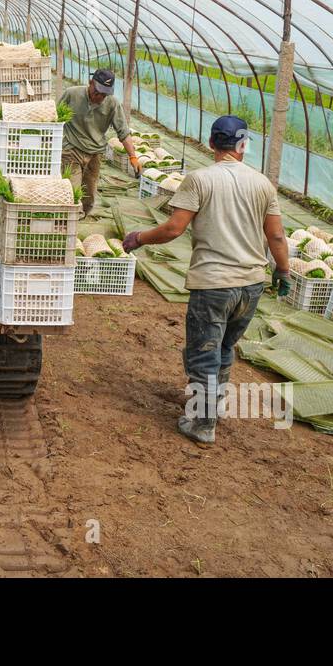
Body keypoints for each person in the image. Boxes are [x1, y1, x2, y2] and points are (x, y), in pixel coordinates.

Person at [122, 115, 290, 445]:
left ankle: (202, 423)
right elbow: (277, 236)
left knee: (204, 353)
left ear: (211, 143)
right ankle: (214, 407)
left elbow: (173, 228)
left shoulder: (199, 180)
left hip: (214, 284)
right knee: (225, 347)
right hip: (251, 285)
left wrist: (139, 237)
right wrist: (282, 271)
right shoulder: (262, 184)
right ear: (243, 146)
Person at [58, 68, 140, 217]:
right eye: (97, 92)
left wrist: (132, 157)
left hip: (95, 153)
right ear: (90, 83)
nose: (100, 97)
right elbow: (55, 117)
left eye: (104, 94)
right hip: (71, 150)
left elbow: (123, 131)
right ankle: (71, 224)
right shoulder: (72, 94)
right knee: (73, 194)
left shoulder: (112, 104)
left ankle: (82, 217)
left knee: (89, 197)